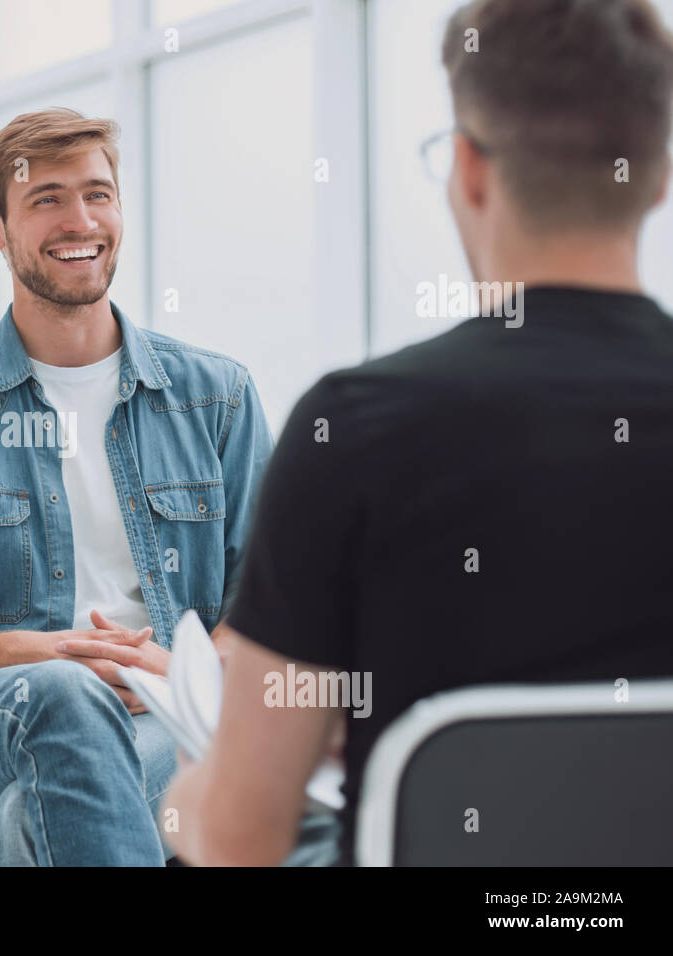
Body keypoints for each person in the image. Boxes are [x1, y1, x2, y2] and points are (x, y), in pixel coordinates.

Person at [165, 0, 673, 866]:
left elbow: (241, 837)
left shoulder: (355, 426)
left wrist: (184, 794)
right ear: (657, 175)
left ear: (471, 171)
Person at [0, 108, 338, 865]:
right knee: (66, 700)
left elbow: (266, 608)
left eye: (98, 193)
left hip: (163, 716)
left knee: (29, 822)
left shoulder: (218, 397)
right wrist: (42, 654)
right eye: (46, 198)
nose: (81, 219)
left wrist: (174, 670)